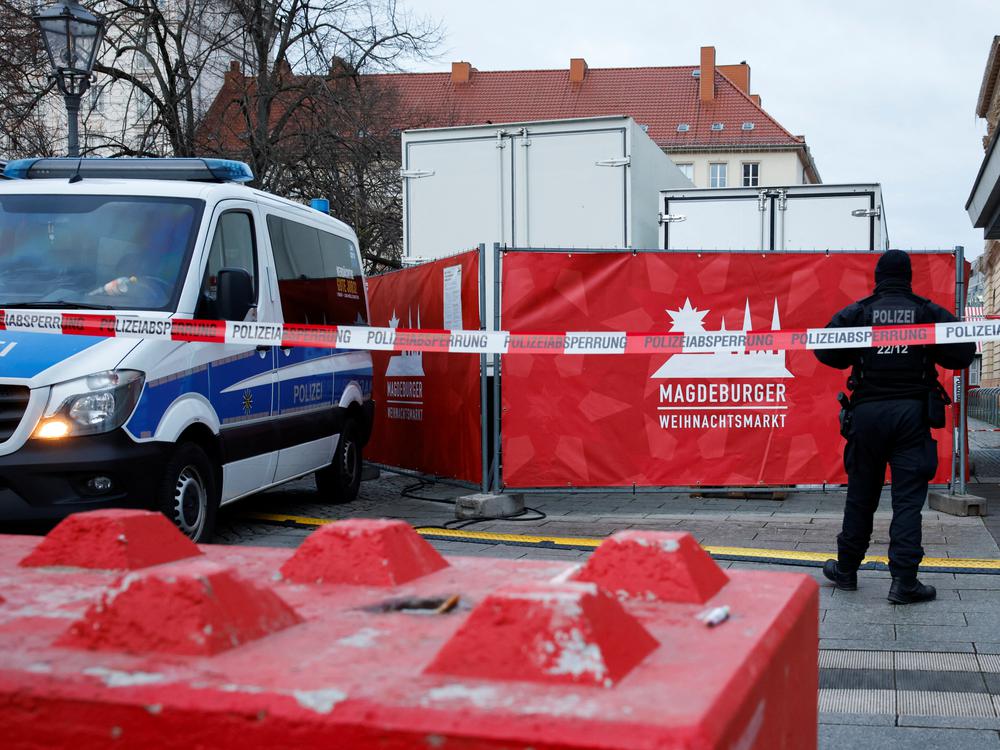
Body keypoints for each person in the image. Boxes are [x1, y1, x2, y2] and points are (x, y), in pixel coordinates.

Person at [815, 250, 975, 604]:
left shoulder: (859, 312)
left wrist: (854, 354)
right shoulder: (925, 311)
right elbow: (964, 352)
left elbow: (824, 349)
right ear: (908, 277)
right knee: (906, 503)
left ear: (878, 277)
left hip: (867, 416)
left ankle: (846, 571)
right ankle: (904, 582)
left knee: (860, 496)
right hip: (911, 416)